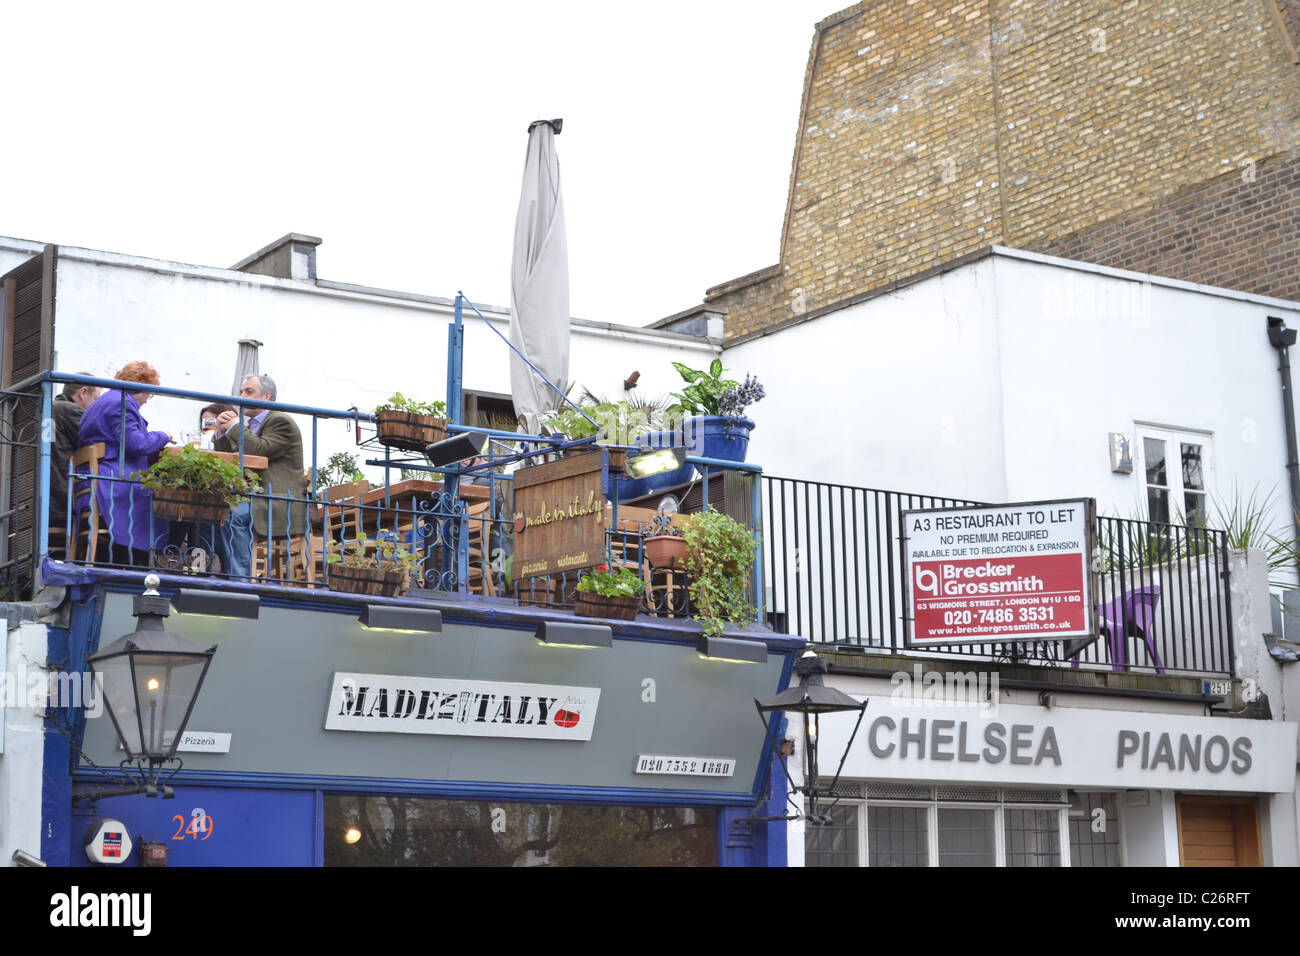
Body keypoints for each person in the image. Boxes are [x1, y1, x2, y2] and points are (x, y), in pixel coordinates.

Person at [76, 361, 174, 568]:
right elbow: (136, 444)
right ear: (140, 384)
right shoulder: (122, 401)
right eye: (148, 393)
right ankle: (145, 560)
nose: (147, 400)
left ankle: (140, 558)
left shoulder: (106, 400)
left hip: (94, 477)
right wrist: (163, 436)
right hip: (110, 479)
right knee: (165, 497)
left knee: (158, 491)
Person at [214, 374, 308, 578]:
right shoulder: (251, 425)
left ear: (266, 396)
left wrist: (234, 427)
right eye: (241, 392)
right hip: (258, 497)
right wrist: (221, 432)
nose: (242, 396)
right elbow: (229, 459)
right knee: (211, 511)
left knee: (232, 516)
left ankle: (240, 581)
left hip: (280, 500)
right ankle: (219, 574)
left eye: (249, 392)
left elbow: (259, 451)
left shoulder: (280, 420)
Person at [49, 376, 101, 542]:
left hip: (50, 498)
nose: (96, 407)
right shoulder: (69, 410)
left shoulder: (51, 408)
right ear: (83, 393)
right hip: (64, 498)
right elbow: (99, 443)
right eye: (96, 400)